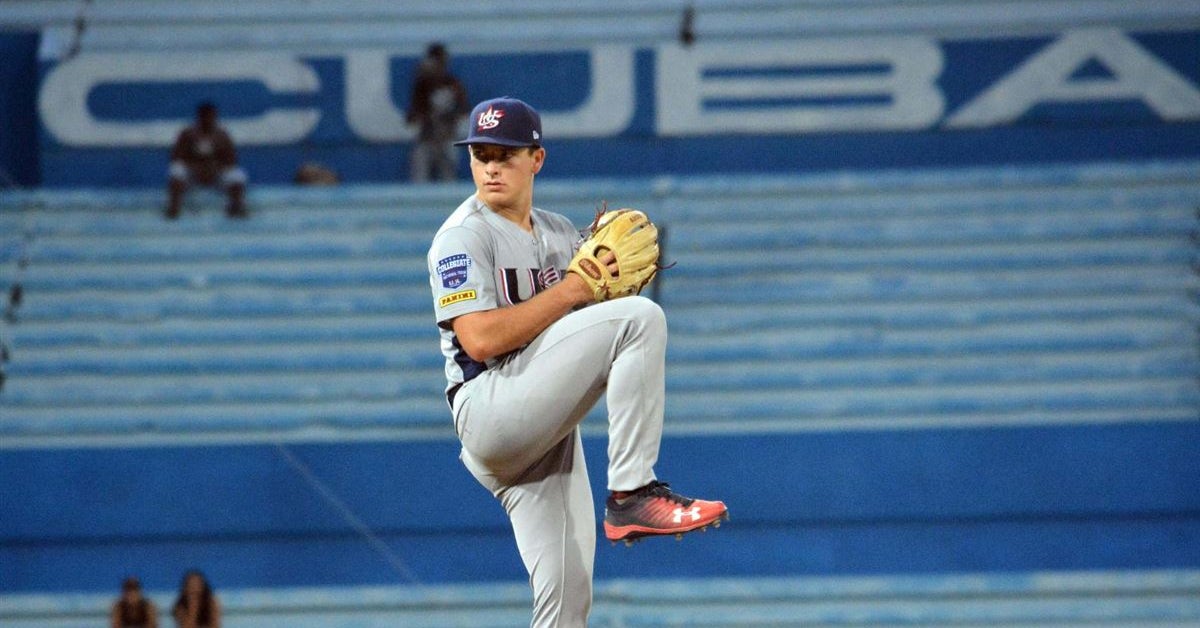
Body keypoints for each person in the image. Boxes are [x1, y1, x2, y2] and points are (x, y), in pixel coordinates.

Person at [426, 96, 728, 626]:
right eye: (481, 154)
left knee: (567, 602)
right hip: (491, 408)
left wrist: (602, 286)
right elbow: (477, 340)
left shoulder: (562, 233)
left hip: (544, 432)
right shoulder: (462, 236)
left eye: (506, 154)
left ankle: (630, 495)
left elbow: (594, 326)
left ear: (536, 159)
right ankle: (632, 490)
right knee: (642, 318)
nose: (491, 167)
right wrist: (573, 292)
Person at [165, 101, 247, 219]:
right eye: (205, 116)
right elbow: (176, 157)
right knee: (176, 170)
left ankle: (236, 206)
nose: (208, 120)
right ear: (199, 117)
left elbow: (232, 159)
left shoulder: (222, 136)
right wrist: (195, 166)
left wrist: (215, 167)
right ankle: (174, 207)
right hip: (192, 173)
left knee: (237, 175)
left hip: (216, 174)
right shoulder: (188, 134)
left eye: (212, 116)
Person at [406, 42, 469, 183]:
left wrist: (449, 117)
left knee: (448, 175)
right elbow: (412, 117)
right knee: (419, 170)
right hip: (427, 139)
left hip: (447, 138)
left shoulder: (453, 84)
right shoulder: (422, 86)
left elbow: (464, 111)